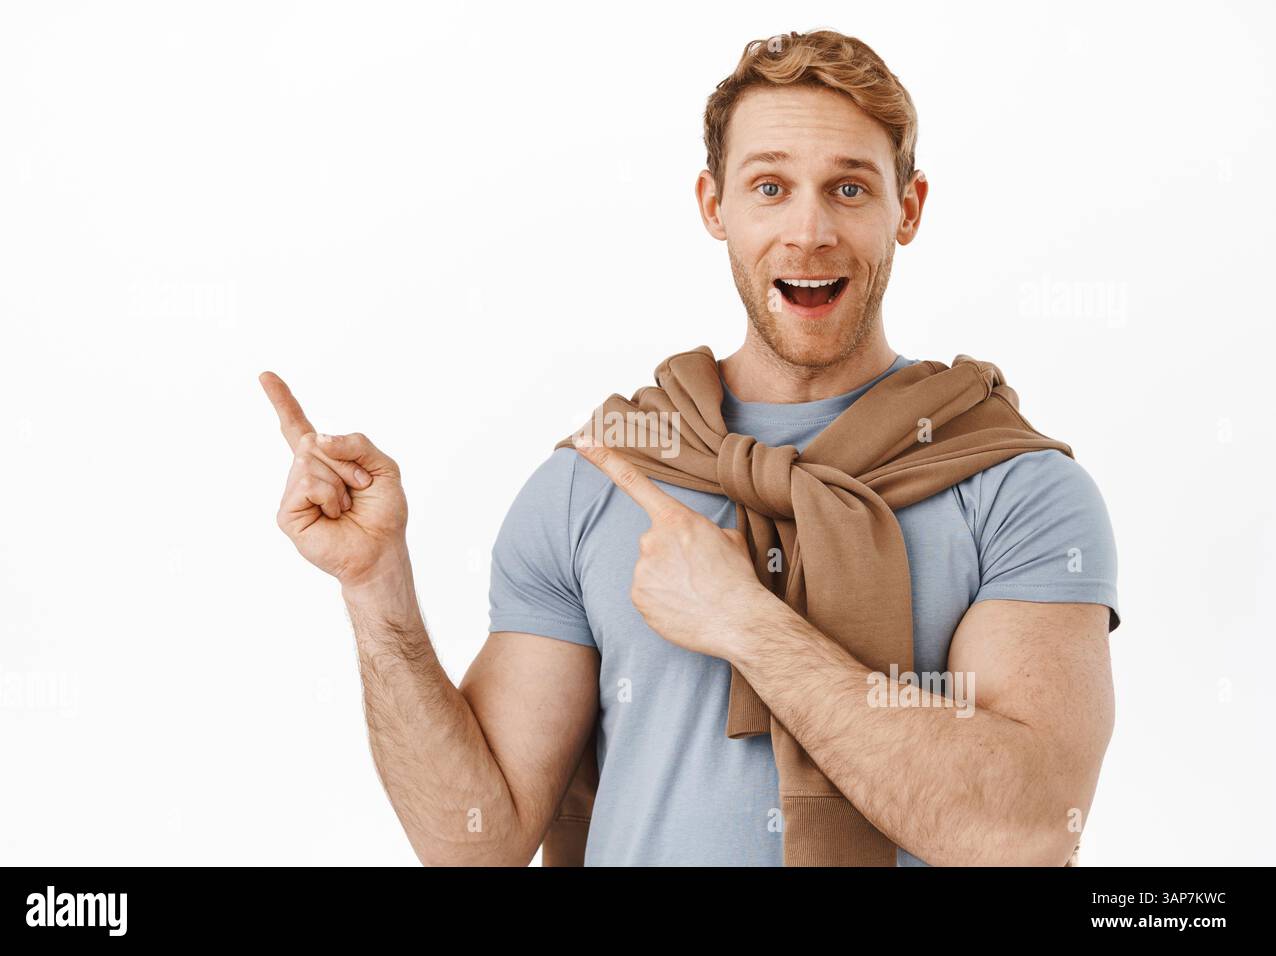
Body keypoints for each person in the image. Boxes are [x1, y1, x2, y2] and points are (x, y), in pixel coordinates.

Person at [259, 30, 1119, 866]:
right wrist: (378, 590)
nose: (810, 230)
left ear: (910, 208)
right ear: (715, 206)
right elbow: (474, 843)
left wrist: (745, 623)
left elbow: (1028, 833)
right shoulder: (601, 478)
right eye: (770, 187)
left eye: (850, 189)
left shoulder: (1014, 485)